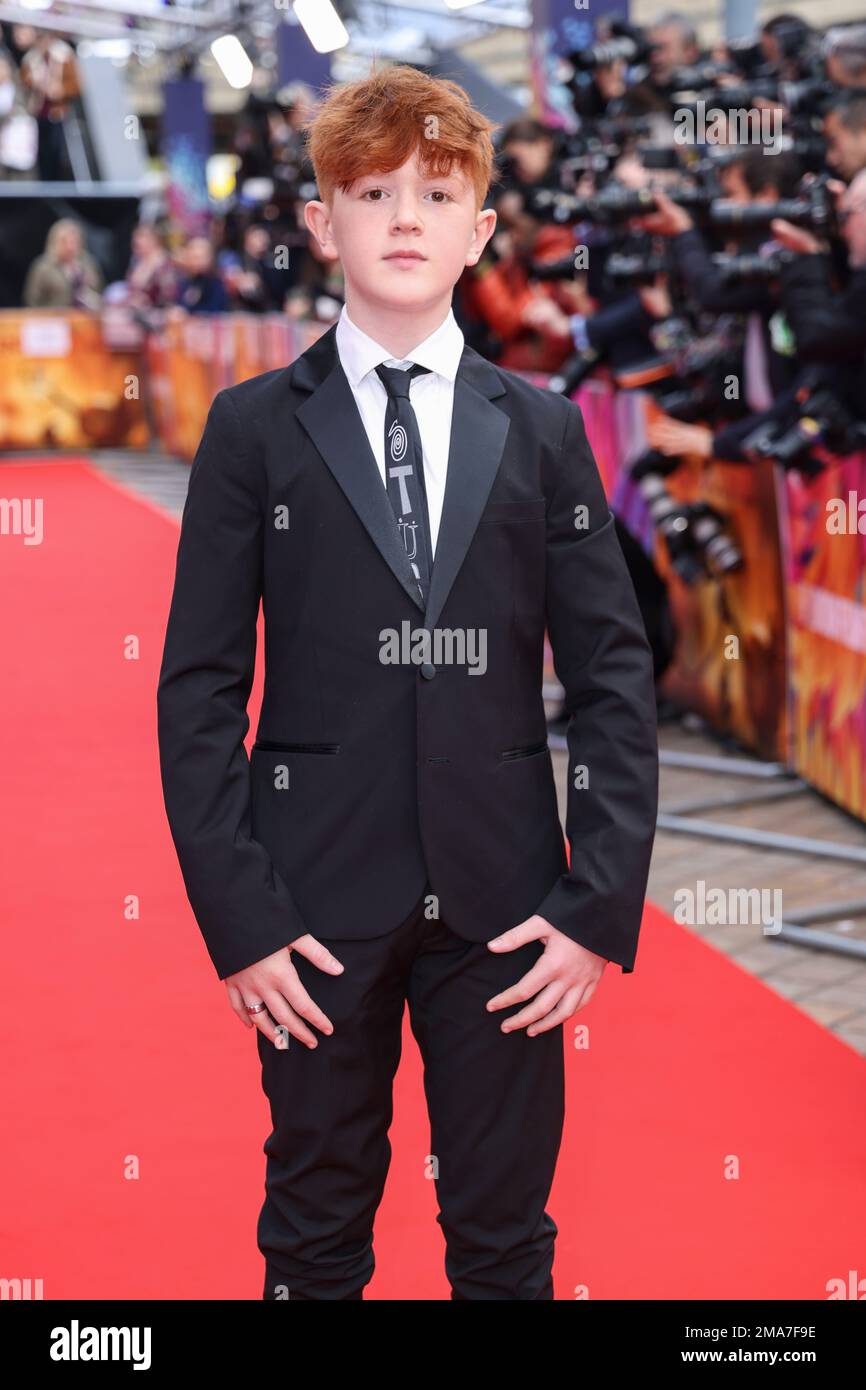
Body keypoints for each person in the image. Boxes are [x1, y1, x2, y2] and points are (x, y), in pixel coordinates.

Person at [156, 63, 658, 1302]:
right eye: (371, 192)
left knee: (504, 1236)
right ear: (320, 222)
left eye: (434, 195)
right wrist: (240, 916)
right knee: (312, 1226)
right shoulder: (251, 429)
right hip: (308, 909)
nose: (402, 219)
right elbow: (198, 688)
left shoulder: (542, 430)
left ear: (478, 229)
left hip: (509, 906)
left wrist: (595, 901)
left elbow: (611, 675)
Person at [22, 217, 102, 309]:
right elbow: (32, 300)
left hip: (84, 315)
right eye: (64, 242)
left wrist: (90, 284)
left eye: (74, 242)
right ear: (54, 242)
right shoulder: (43, 266)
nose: (70, 247)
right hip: (55, 315)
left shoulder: (88, 263)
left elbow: (100, 291)